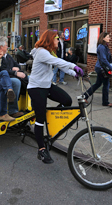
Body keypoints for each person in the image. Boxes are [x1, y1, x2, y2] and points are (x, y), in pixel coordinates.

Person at [27, 29, 83, 164]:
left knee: (67, 100)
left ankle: (48, 116)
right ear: (50, 39)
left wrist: (73, 73)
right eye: (56, 38)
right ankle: (41, 149)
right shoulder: (41, 52)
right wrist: (74, 66)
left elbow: (59, 63)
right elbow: (58, 62)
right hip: (36, 88)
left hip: (46, 85)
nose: (58, 40)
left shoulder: (49, 52)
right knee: (40, 119)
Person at [0, 37, 27, 117]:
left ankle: (29, 105)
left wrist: (14, 70)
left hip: (9, 75)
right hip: (0, 79)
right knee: (16, 82)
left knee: (29, 78)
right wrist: (14, 71)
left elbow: (17, 66)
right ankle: (13, 110)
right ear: (1, 47)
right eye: (6, 45)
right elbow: (1, 71)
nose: (8, 47)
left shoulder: (8, 56)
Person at [81, 32, 112, 107]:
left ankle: (84, 96)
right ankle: (105, 102)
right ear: (103, 38)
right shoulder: (102, 47)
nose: (109, 38)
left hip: (100, 68)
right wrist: (111, 68)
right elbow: (103, 59)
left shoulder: (104, 46)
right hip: (101, 68)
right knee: (106, 85)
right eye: (108, 37)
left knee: (97, 84)